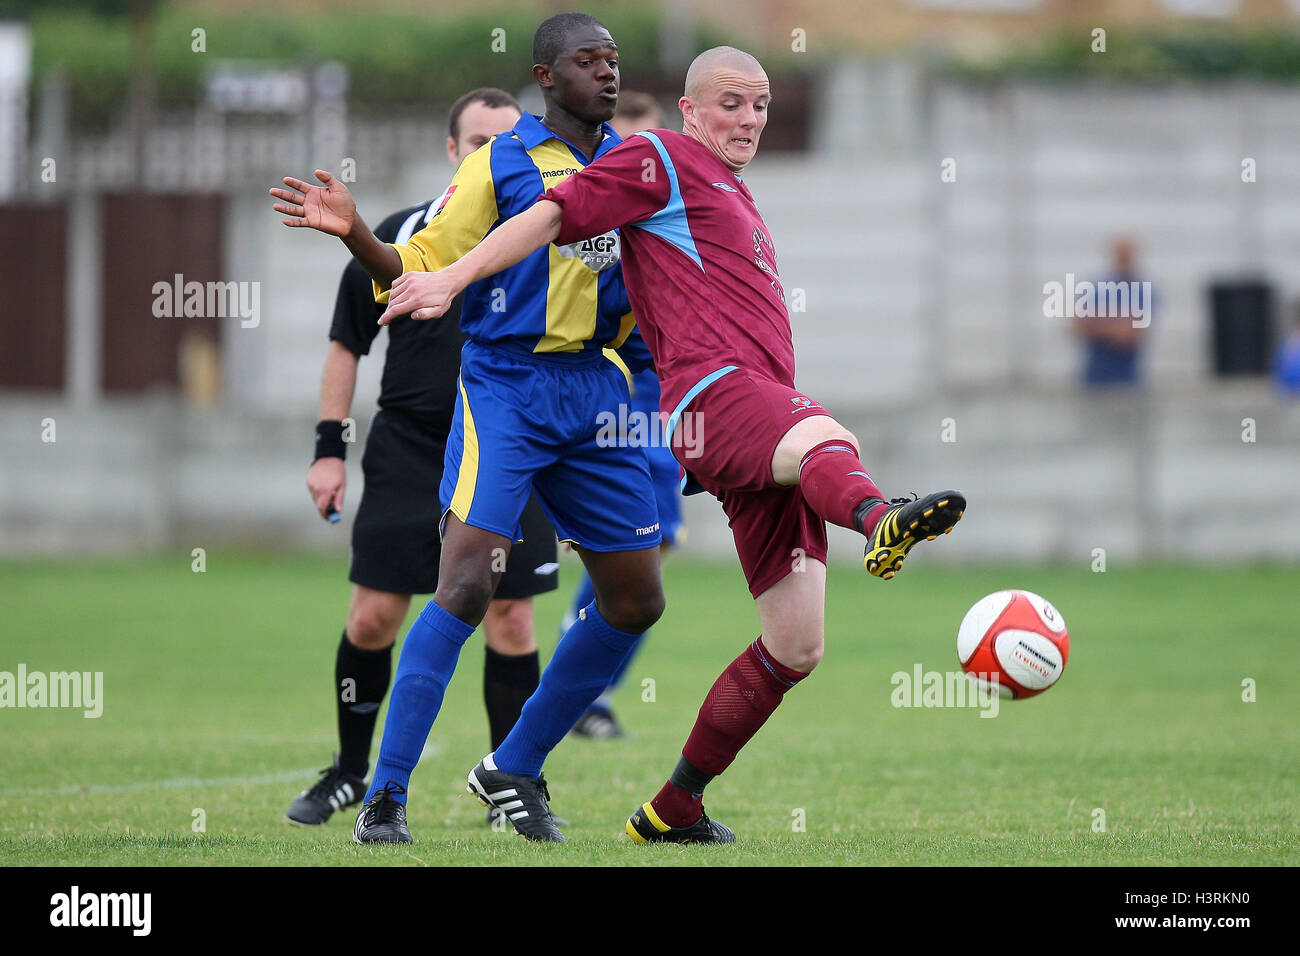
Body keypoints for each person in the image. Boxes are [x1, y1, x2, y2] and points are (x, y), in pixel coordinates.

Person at [382, 46, 966, 844]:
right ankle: (877, 518)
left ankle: (671, 805)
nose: (748, 119)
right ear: (689, 109)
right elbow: (553, 215)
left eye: (760, 105)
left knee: (795, 644)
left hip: (706, 411)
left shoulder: (727, 186)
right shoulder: (659, 155)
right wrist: (448, 279)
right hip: (706, 396)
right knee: (827, 435)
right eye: (731, 103)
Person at [272, 12, 665, 845]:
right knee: (466, 585)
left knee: (636, 600)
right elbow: (419, 265)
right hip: (509, 387)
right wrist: (357, 234)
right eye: (587, 61)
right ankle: (384, 792)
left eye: (614, 60)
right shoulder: (501, 161)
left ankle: (511, 768)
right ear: (547, 77)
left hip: (601, 391)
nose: (608, 74)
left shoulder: (638, 167)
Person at [284, 89, 566, 831]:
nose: (491, 156)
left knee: (511, 622)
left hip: (515, 447)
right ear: (452, 152)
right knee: (375, 616)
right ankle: (352, 772)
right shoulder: (403, 234)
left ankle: (513, 786)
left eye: (506, 144)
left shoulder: (548, 236)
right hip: (412, 449)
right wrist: (327, 452)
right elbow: (348, 345)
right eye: (477, 142)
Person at [566, 90, 677, 740]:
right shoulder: (591, 215)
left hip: (663, 400)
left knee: (652, 548)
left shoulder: (667, 209)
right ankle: (585, 684)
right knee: (634, 548)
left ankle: (591, 688)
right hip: (610, 396)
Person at [1073, 236, 1152, 388]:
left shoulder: (1143, 290)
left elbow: (1128, 334)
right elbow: (1076, 325)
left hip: (1129, 380)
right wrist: (1115, 323)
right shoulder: (1095, 288)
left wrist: (1097, 322)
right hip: (1094, 377)